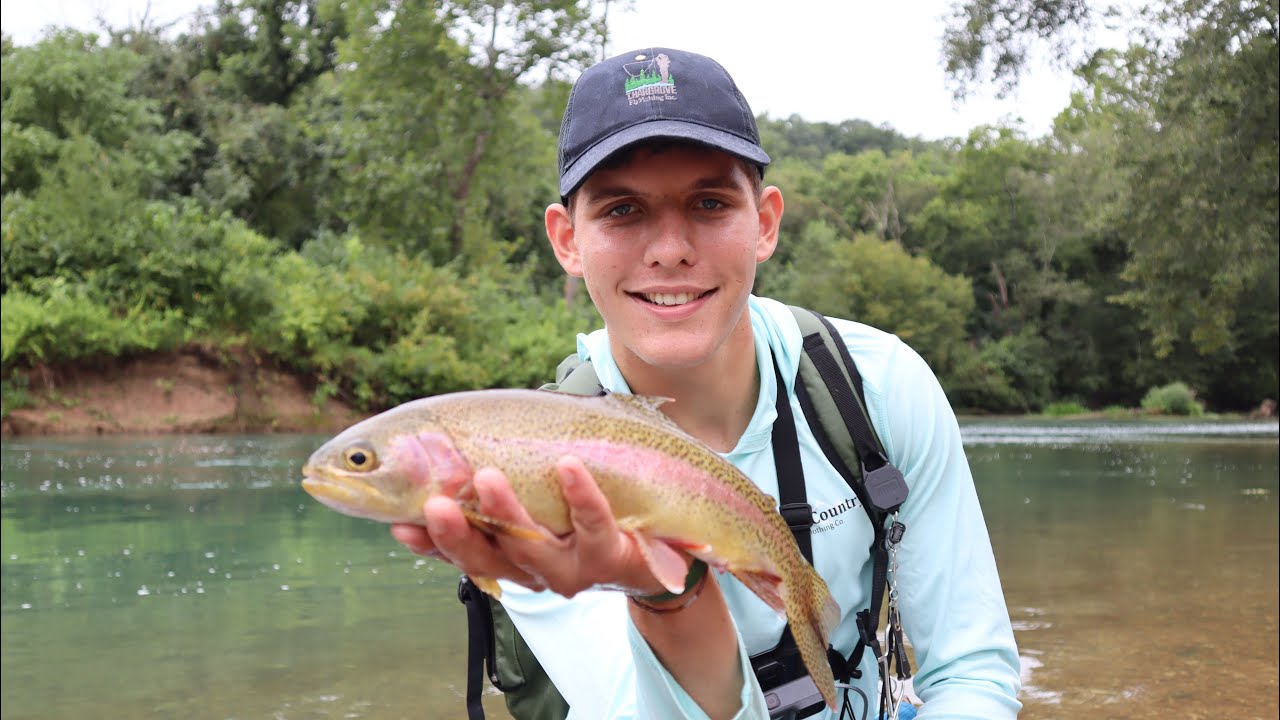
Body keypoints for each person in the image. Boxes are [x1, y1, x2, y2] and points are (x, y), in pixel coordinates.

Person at [390, 46, 1022, 719]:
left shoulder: (877, 387)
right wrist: (669, 601)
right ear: (567, 239)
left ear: (766, 223)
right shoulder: (528, 476)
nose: (669, 248)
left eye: (710, 202)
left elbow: (971, 672)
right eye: (622, 211)